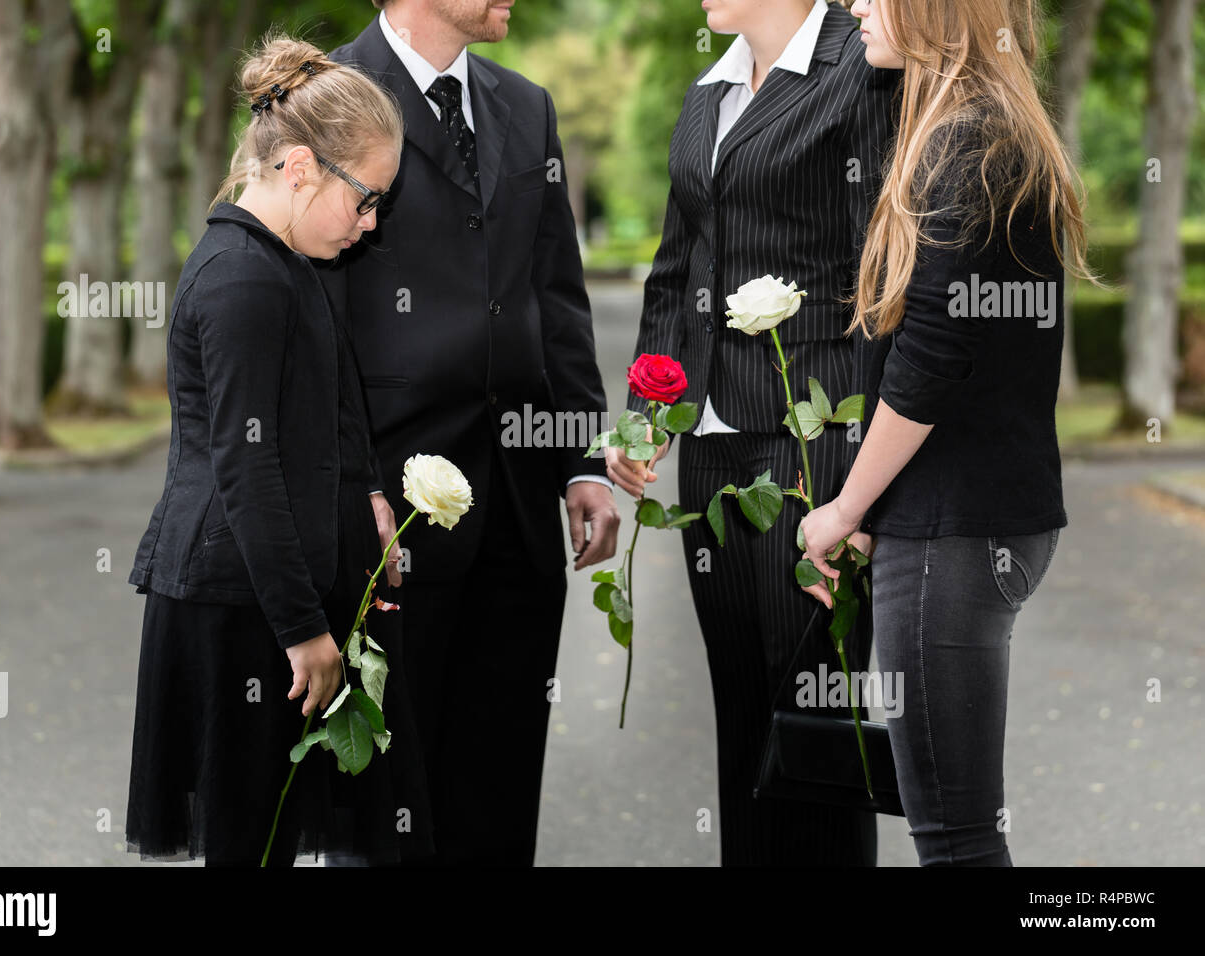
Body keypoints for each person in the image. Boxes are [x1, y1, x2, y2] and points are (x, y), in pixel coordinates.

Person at [320, 0, 620, 866]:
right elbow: (313, 320)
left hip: (521, 519)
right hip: (389, 519)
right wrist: (355, 486)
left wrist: (580, 463)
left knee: (497, 800)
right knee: (383, 811)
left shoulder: (528, 107)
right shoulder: (325, 97)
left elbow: (555, 299)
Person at [125, 34, 434, 867]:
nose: (370, 225)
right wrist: (302, 630)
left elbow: (328, 412)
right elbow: (245, 466)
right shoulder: (240, 280)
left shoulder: (288, 262)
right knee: (250, 842)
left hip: (278, 591)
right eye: (366, 199)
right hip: (242, 608)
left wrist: (369, 496)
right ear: (300, 166)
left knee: (280, 836)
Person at [799, 0, 1095, 865]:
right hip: (982, 520)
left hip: (952, 534)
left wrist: (846, 511)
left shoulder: (967, 142)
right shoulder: (989, 130)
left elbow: (930, 360)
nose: (852, 3)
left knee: (956, 840)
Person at [607, 0, 899, 866]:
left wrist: (865, 489)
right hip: (714, 455)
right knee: (742, 713)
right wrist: (648, 411)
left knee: (813, 720)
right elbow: (676, 271)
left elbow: (888, 284)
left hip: (819, 452)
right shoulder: (710, 89)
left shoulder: (865, 68)